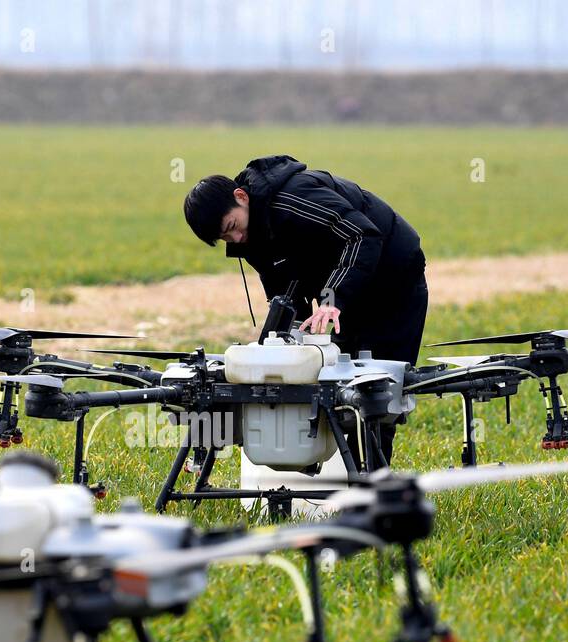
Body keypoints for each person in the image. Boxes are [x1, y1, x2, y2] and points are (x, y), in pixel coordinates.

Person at [183, 154, 428, 462]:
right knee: (337, 389)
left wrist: (332, 299)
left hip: (394, 283)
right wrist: (281, 341)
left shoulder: (292, 198)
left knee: (374, 393)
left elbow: (362, 235)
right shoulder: (251, 237)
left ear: (241, 196)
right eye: (225, 237)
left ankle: (370, 492)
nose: (236, 238)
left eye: (233, 226)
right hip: (347, 294)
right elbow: (284, 292)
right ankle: (324, 482)